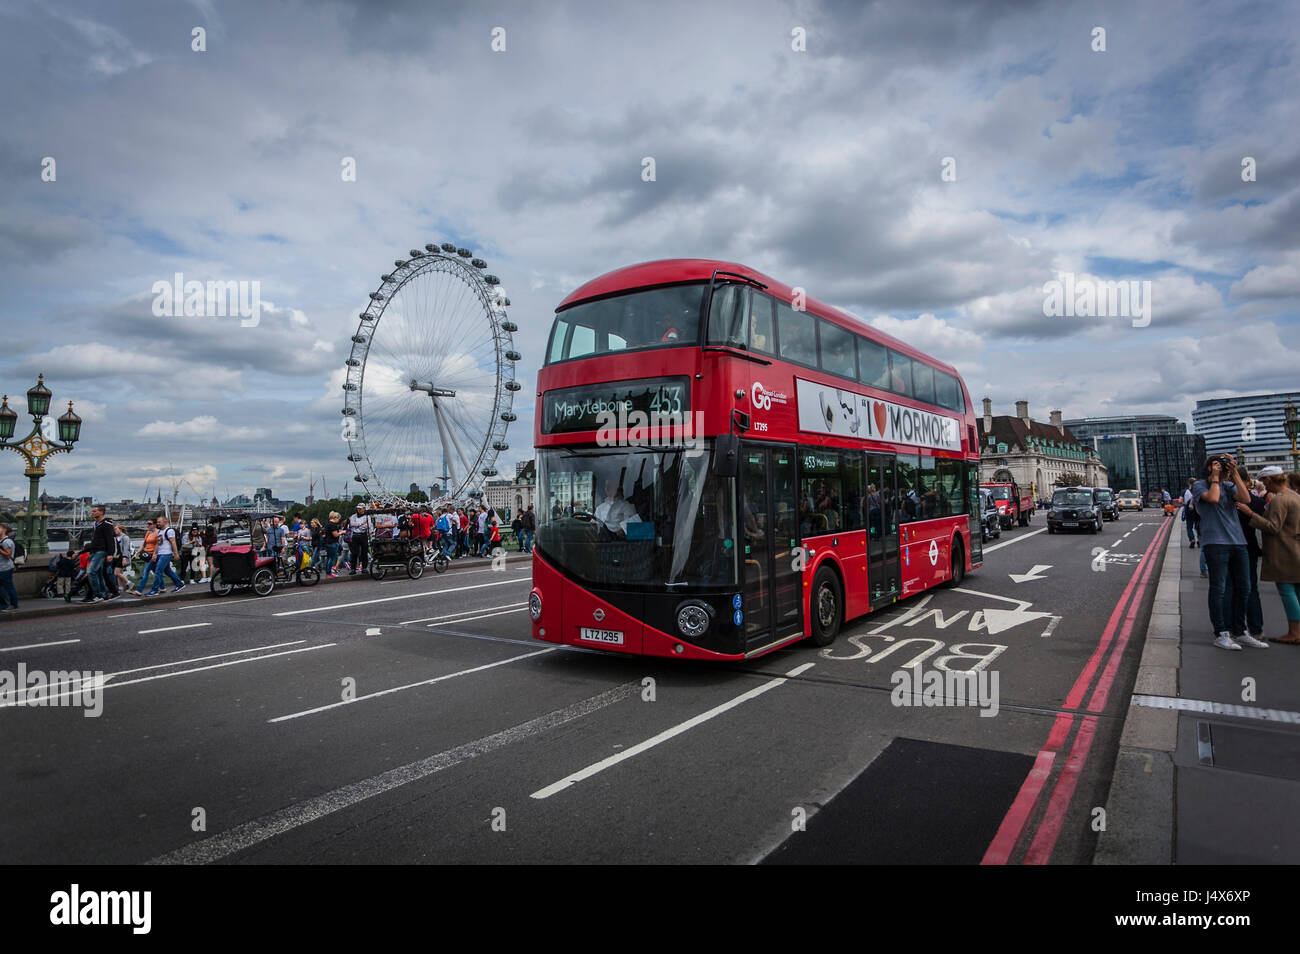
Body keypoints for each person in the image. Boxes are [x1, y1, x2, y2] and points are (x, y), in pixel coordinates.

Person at [1192, 455, 1265, 651]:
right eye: (1218, 466)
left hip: (1238, 542)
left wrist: (1234, 472)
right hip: (1215, 543)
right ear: (1209, 468)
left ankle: (1240, 632)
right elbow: (1213, 499)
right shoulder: (1200, 485)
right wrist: (1215, 477)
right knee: (1219, 588)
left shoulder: (1229, 485)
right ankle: (1221, 633)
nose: (1222, 469)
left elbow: (1246, 498)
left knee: (1245, 587)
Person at [1237, 466, 1300, 644]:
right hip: (1295, 549)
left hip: (1284, 551)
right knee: (1296, 591)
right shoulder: (1295, 496)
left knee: (1287, 591)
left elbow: (1273, 527)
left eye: (1264, 481)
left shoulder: (1280, 500)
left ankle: (1294, 632)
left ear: (1270, 480)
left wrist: (1250, 514)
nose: (1263, 485)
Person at [83, 505, 115, 603]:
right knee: (98, 574)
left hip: (101, 551)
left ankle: (97, 594)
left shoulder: (106, 524)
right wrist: (90, 552)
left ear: (101, 512)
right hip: (94, 551)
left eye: (94, 511)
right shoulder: (96, 524)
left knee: (91, 572)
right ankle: (103, 594)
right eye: (92, 511)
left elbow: (110, 540)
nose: (92, 513)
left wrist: (110, 554)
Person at [147, 516, 186, 596]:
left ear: (165, 522)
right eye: (157, 522)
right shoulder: (160, 531)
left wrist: (175, 554)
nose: (158, 524)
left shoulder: (170, 531)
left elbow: (173, 542)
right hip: (160, 554)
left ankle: (155, 590)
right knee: (168, 571)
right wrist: (155, 554)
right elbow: (158, 544)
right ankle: (180, 584)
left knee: (158, 571)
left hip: (166, 554)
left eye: (159, 522)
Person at [348, 505, 371, 575]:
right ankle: (353, 568)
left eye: (360, 509)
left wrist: (358, 525)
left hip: (363, 535)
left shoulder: (367, 516)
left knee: (364, 552)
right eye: (358, 509)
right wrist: (361, 524)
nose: (359, 510)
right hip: (355, 535)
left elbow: (368, 525)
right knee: (354, 553)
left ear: (364, 509)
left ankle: (364, 568)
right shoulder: (353, 516)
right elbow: (352, 524)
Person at [0, 524, 18, 612]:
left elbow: (8, 555)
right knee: (4, 587)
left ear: (4, 530)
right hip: (3, 568)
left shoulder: (6, 542)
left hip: (5, 568)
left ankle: (12, 604)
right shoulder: (2, 541)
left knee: (9, 587)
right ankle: (5, 604)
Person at [113, 523, 134, 594]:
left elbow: (125, 548)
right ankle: (120, 587)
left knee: (116, 573)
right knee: (119, 572)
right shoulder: (115, 537)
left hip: (122, 556)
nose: (114, 530)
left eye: (116, 529)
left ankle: (129, 582)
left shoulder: (125, 537)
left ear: (120, 529)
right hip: (117, 556)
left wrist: (124, 558)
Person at [1181, 477, 1200, 547]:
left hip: (1188, 511)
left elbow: (1181, 501)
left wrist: (1185, 503)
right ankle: (1199, 540)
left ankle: (1192, 540)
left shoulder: (1185, 491)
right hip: (1197, 511)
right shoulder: (1198, 490)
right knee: (1198, 526)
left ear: (1188, 483)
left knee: (1189, 527)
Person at [323, 512, 343, 577]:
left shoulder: (327, 524)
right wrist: (342, 532)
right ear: (335, 518)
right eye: (338, 519)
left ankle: (327, 573)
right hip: (333, 543)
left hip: (328, 543)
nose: (338, 520)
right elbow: (335, 535)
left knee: (328, 558)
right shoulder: (333, 525)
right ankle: (329, 573)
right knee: (331, 559)